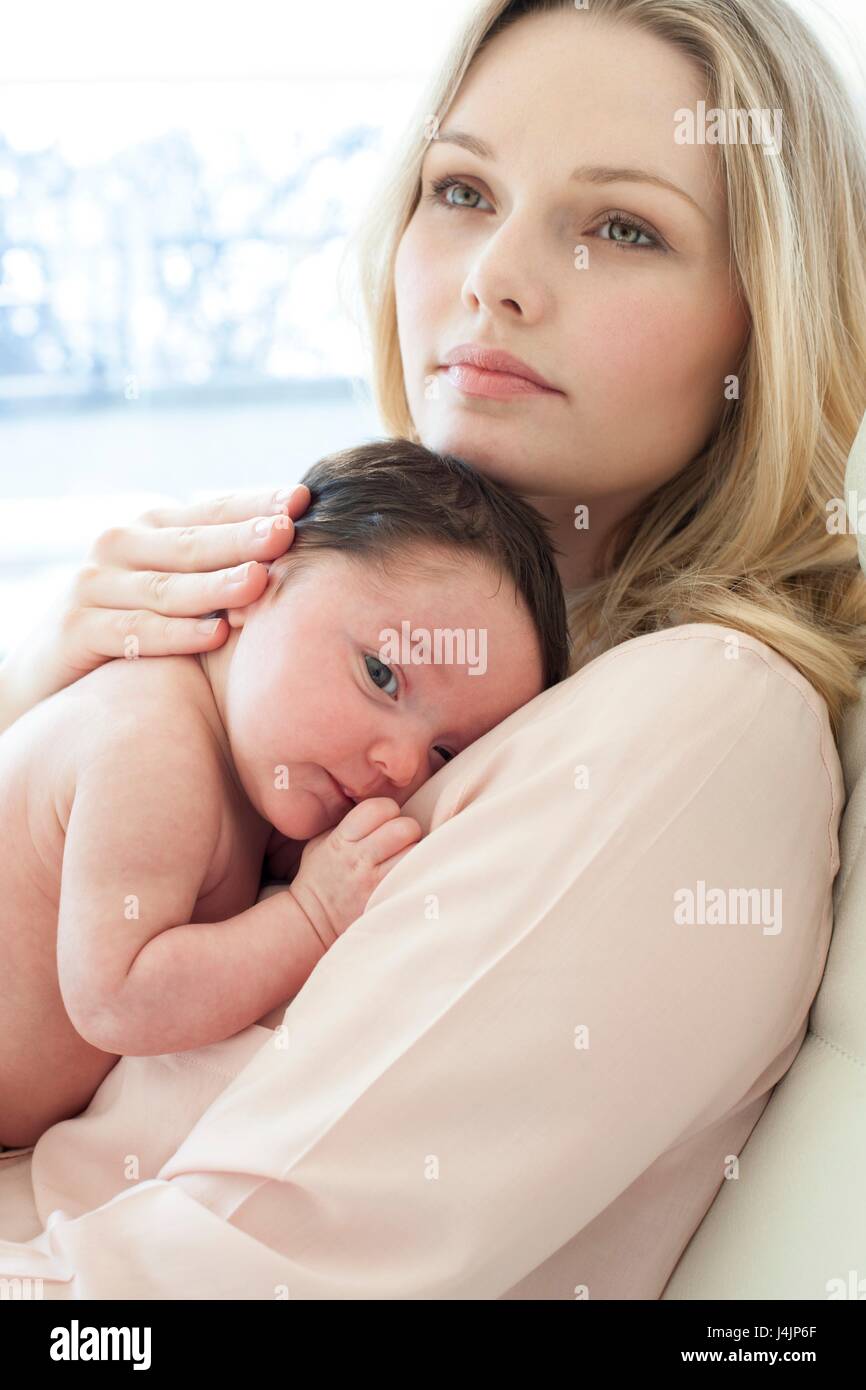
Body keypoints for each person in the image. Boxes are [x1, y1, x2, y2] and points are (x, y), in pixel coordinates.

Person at [0, 0, 863, 1299]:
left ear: (768, 320)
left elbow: (170, 1297)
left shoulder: (702, 716)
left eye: (621, 225)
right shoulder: (284, 648)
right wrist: (50, 706)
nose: (492, 276)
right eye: (459, 187)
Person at [0, 439, 570, 1149]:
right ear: (253, 584)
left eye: (444, 753)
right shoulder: (150, 747)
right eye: (381, 675)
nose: (399, 766)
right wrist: (311, 915)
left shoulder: (246, 768)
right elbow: (116, 998)